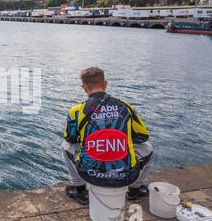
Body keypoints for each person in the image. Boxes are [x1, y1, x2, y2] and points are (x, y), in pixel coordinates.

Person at [62, 67, 154, 205]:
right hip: (126, 176)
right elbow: (142, 136)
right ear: (105, 84)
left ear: (84, 87)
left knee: (66, 146)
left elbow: (70, 138)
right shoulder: (125, 106)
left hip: (89, 174)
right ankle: (136, 189)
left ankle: (79, 188)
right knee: (148, 148)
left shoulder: (76, 111)